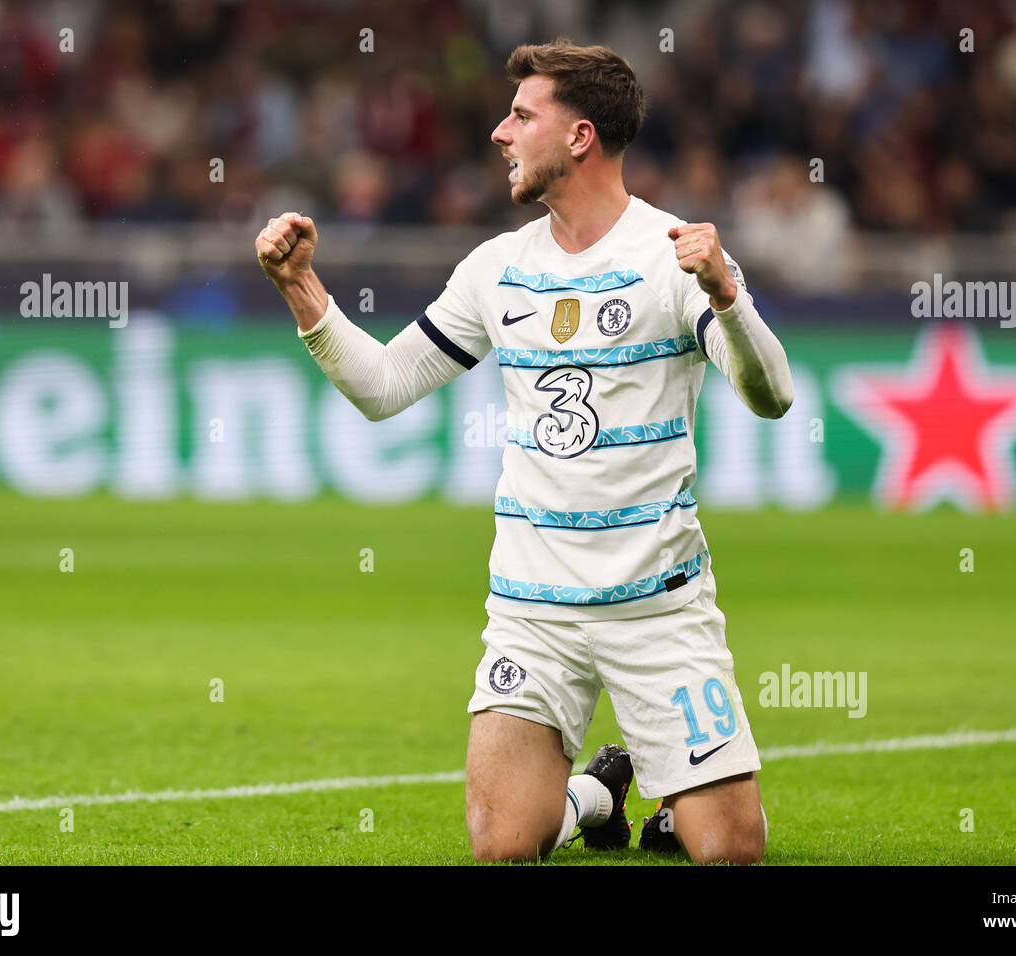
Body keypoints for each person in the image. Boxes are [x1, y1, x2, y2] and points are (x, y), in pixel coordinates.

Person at [255, 39, 793, 864]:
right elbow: (385, 386)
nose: (501, 134)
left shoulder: (674, 256)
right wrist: (303, 290)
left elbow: (773, 395)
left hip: (658, 607)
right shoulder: (496, 269)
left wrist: (726, 296)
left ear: (579, 136)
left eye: (521, 116)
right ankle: (596, 794)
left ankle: (673, 803)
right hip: (532, 612)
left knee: (730, 852)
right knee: (504, 847)